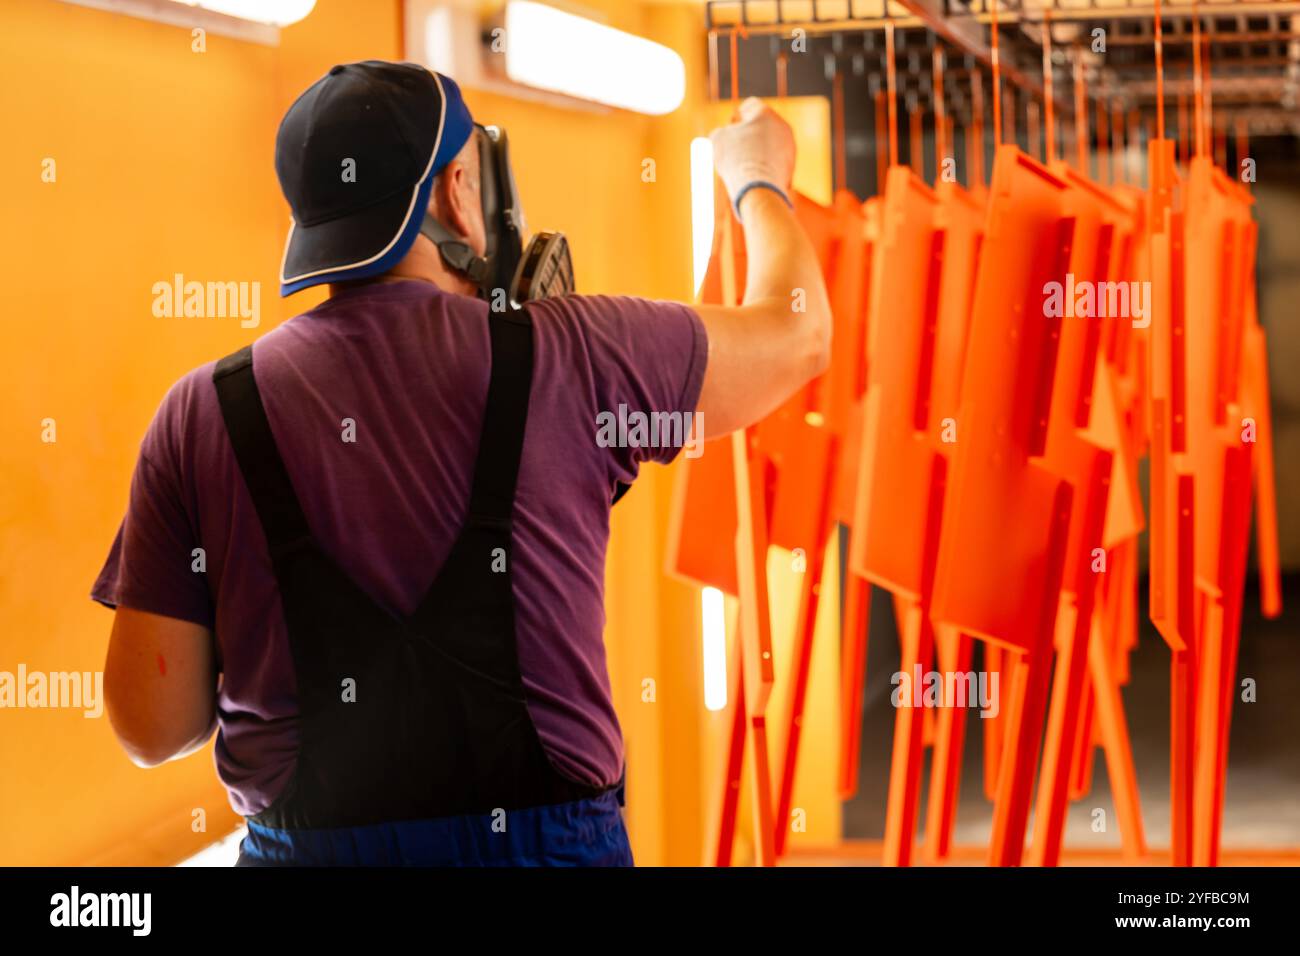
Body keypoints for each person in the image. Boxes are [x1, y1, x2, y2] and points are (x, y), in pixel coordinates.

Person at [92, 60, 830, 866]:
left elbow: (151, 725)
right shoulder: (575, 353)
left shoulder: (202, 412)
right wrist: (757, 179)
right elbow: (798, 337)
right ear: (455, 192)